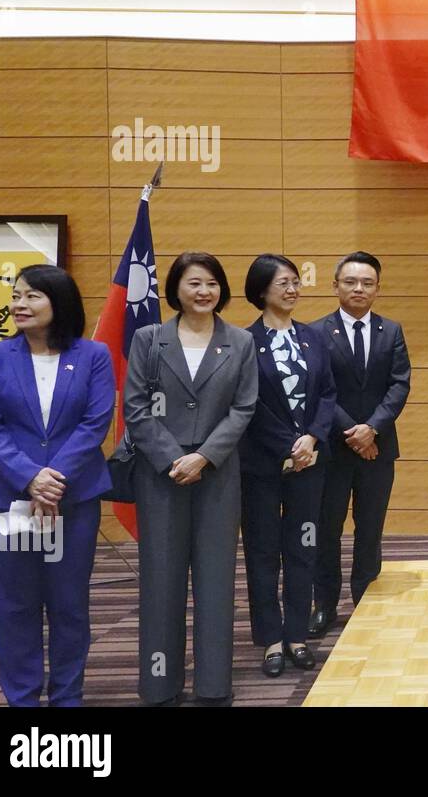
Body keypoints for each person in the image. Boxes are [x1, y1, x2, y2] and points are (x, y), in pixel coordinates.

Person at [0, 265, 114, 706]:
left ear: (60, 301)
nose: (19, 304)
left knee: (69, 605)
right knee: (13, 608)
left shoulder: (93, 356)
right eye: (16, 296)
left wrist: (53, 481)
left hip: (73, 500)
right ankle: (23, 699)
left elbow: (95, 422)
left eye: (32, 296)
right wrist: (30, 477)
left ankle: (67, 696)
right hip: (5, 501)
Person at [124, 252, 257, 706]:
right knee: (160, 580)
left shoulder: (239, 341)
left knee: (216, 580)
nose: (205, 292)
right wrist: (171, 458)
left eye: (213, 284)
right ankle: (160, 684)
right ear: (176, 289)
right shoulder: (148, 338)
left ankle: (214, 685)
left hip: (218, 476)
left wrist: (203, 456)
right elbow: (136, 407)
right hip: (160, 477)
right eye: (195, 283)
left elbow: (244, 408)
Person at [239, 255, 336, 677]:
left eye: (296, 282)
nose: (293, 290)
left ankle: (296, 633)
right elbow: (248, 405)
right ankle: (271, 638)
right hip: (261, 466)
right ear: (262, 290)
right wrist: (289, 445)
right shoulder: (243, 342)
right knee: (263, 552)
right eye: (283, 283)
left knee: (303, 549)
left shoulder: (313, 338)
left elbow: (328, 395)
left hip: (310, 464)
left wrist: (311, 439)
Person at [307, 252, 412, 638]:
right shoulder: (315, 332)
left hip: (379, 449)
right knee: (326, 529)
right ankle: (325, 604)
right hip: (333, 449)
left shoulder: (392, 331)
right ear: (335, 286)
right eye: (350, 282)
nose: (358, 289)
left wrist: (373, 429)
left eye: (367, 283)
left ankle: (366, 600)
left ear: (377, 289)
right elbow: (318, 390)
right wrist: (355, 432)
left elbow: (399, 384)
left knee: (370, 529)